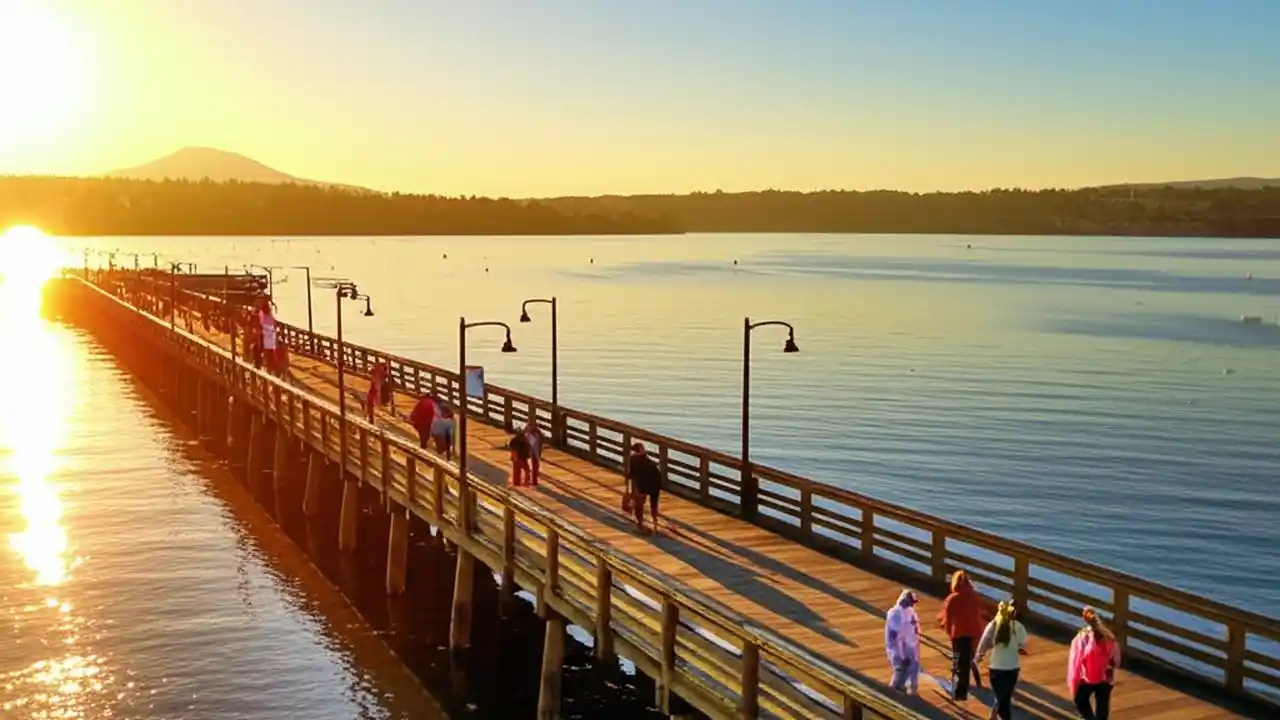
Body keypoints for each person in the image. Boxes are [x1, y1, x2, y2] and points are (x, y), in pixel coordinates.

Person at [976, 600, 1029, 720]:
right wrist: (1018, 648)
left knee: (1001, 697)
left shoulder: (993, 625)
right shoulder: (1018, 627)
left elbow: (984, 642)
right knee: (1004, 699)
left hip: (995, 668)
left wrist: (978, 656)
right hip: (1011, 669)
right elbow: (1022, 643)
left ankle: (993, 716)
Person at [938, 570, 986, 701]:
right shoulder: (975, 596)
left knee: (958, 661)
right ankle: (971, 684)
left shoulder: (952, 599)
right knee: (968, 660)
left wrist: (948, 630)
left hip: (958, 634)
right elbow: (979, 613)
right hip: (974, 633)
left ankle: (959, 692)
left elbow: (946, 618)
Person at [1068, 607, 1121, 720]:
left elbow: (1075, 662)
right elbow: (1116, 661)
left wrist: (1074, 684)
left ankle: (1088, 718)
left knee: (1080, 700)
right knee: (1103, 704)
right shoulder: (1111, 639)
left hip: (1087, 678)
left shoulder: (1081, 638)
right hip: (1106, 677)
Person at [884, 590, 921, 695]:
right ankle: (894, 690)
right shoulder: (894, 613)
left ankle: (904, 689)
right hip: (896, 647)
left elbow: (914, 628)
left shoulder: (910, 612)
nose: (912, 605)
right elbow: (897, 630)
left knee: (911, 668)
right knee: (900, 669)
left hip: (909, 645)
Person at [626, 443, 662, 534]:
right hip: (654, 483)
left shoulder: (633, 459)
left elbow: (630, 474)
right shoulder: (647, 460)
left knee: (639, 504)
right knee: (654, 504)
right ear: (642, 450)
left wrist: (628, 489)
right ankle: (655, 524)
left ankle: (640, 523)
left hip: (642, 483)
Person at [523, 419, 544, 487]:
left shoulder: (536, 434)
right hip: (531, 451)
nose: (529, 427)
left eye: (530, 426)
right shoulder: (528, 433)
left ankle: (533, 481)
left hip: (535, 452)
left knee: (535, 466)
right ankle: (528, 480)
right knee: (528, 466)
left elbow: (539, 443)